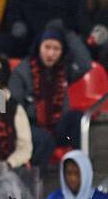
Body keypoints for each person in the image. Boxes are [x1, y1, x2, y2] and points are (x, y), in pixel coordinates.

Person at [7, 25, 92, 166]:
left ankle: (81, 166)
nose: (51, 54)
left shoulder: (63, 69)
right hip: (29, 127)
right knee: (44, 139)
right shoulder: (22, 71)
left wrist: (68, 34)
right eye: (47, 47)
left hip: (57, 126)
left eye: (56, 49)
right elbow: (14, 108)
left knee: (77, 118)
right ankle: (35, 178)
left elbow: (85, 64)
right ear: (39, 47)